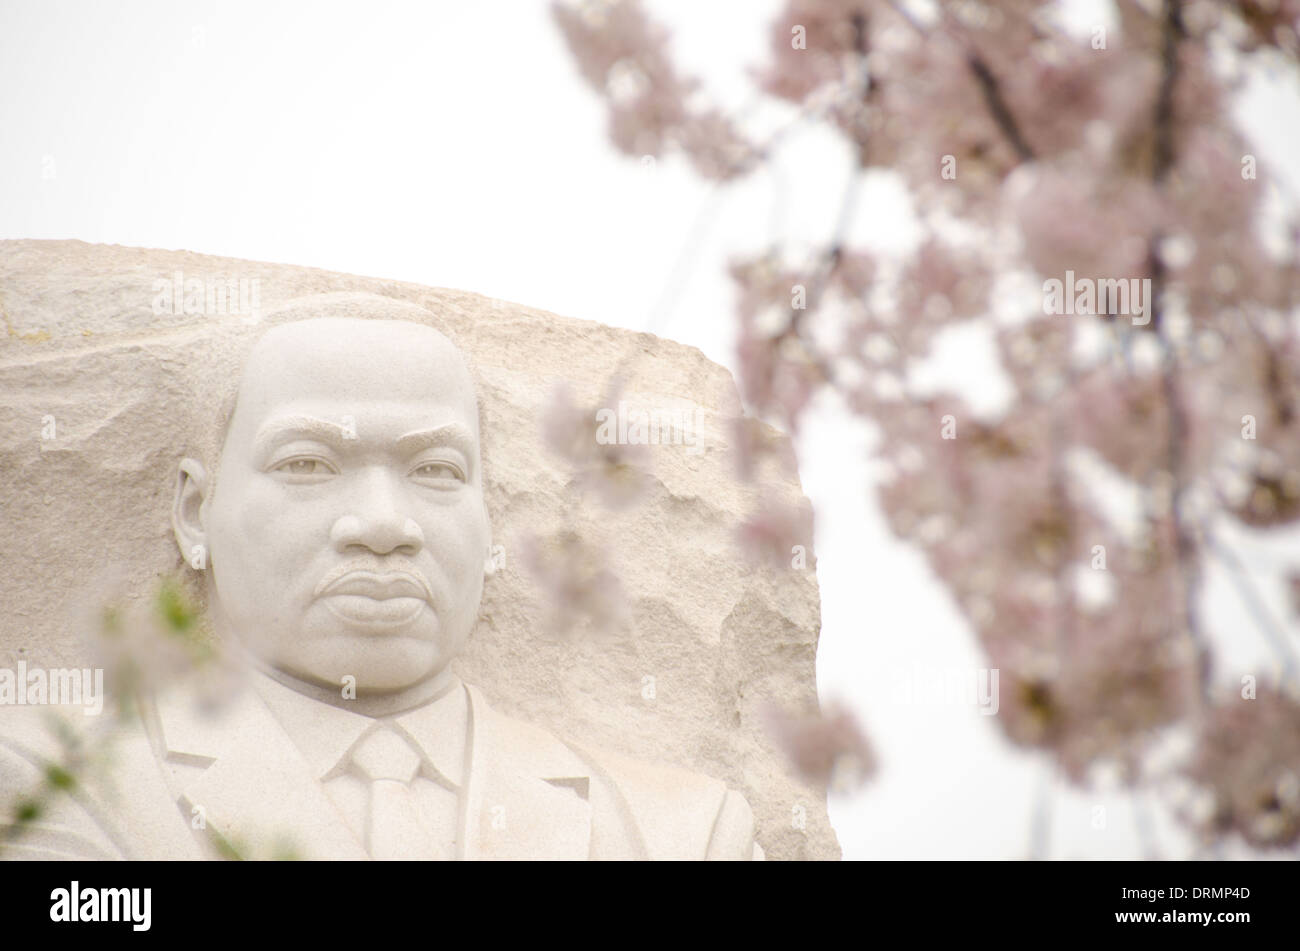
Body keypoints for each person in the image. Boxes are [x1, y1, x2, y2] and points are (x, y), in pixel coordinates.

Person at [0, 307, 761, 861]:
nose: (382, 523)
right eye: (307, 464)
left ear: (491, 520)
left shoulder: (682, 835)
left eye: (435, 471)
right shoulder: (55, 786)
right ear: (195, 515)